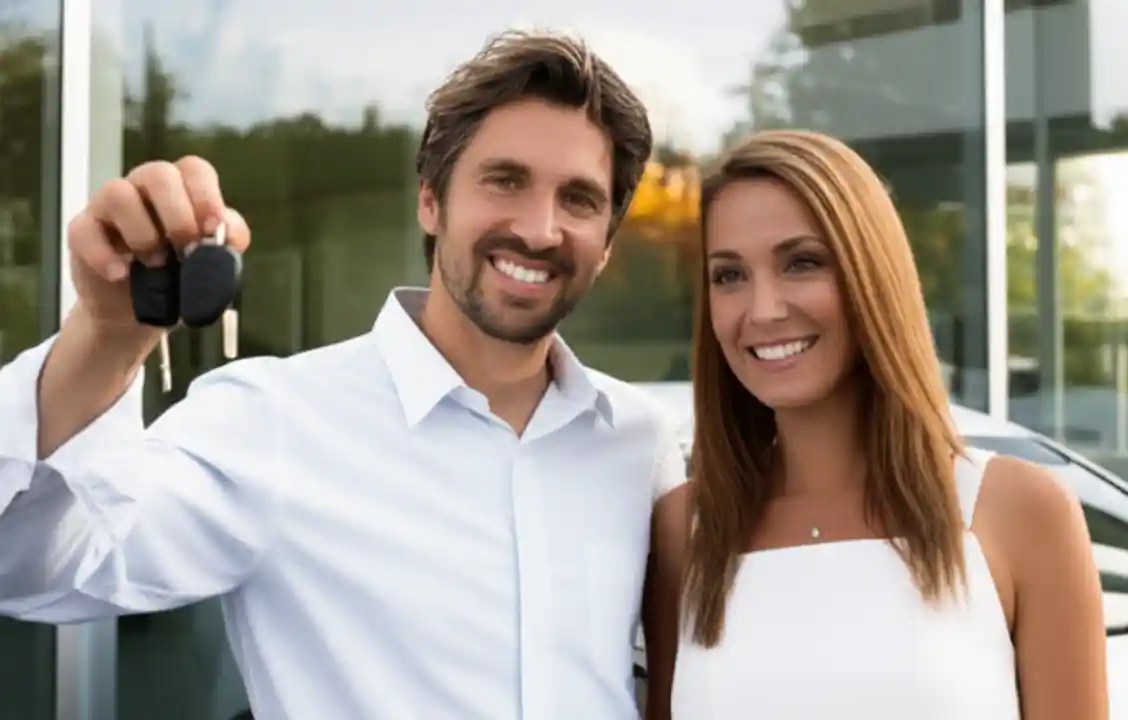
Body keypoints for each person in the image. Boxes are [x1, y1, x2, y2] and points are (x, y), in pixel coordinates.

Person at [0, 29, 686, 720]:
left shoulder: (641, 444)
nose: (539, 229)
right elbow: (31, 565)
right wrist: (106, 337)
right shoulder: (274, 422)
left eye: (579, 199)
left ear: (606, 244)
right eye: (504, 180)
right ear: (430, 199)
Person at [641, 130, 1109, 719]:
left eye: (802, 262)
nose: (762, 310)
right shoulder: (684, 530)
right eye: (729, 276)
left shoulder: (1020, 511)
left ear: (873, 275)